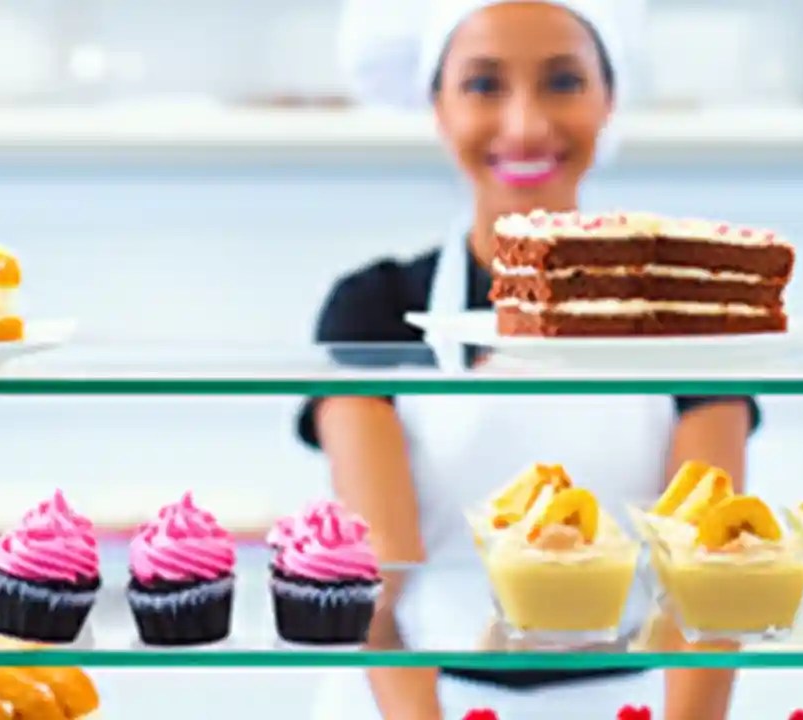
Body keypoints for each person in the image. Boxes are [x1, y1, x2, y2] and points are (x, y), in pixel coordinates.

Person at [302, 1, 754, 718]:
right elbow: (379, 572)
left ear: (612, 99)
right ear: (437, 107)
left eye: (564, 82)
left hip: (631, 703)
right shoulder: (373, 308)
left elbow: (709, 575)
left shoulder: (688, 307)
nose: (525, 125)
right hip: (411, 703)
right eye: (483, 85)